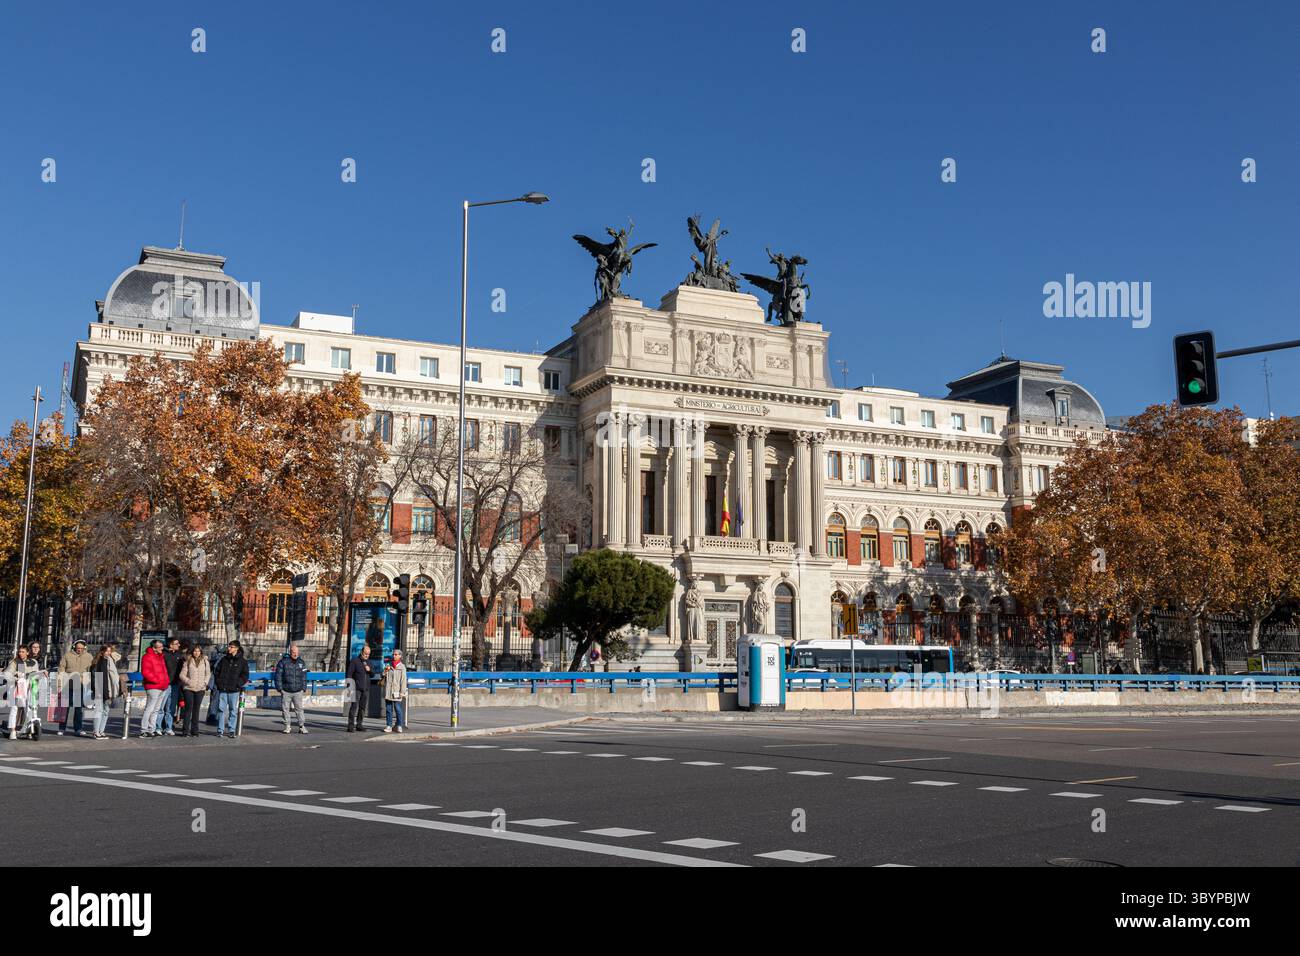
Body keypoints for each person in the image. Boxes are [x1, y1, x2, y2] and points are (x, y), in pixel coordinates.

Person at [212, 640, 249, 739]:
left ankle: (231, 730)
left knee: (233, 710)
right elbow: (217, 672)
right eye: (229, 646)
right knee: (221, 710)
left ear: (236, 648)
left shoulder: (242, 661)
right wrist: (219, 682)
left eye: (231, 647)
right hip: (223, 689)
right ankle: (220, 730)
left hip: (234, 690)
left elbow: (245, 675)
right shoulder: (224, 659)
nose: (229, 648)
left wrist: (238, 684)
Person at [57, 639, 93, 737]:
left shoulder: (89, 657)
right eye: (78, 648)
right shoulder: (67, 655)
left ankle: (78, 728)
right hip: (67, 684)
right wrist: (59, 684)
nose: (79, 650)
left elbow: (91, 670)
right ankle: (62, 728)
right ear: (74, 647)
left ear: (84, 648)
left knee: (78, 708)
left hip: (81, 685)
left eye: (81, 648)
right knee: (65, 708)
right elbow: (61, 669)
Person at [4, 645, 40, 740]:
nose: (21, 653)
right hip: (16, 688)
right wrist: (15, 677)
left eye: (23, 652)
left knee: (28, 710)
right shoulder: (14, 662)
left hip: (29, 688)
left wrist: (41, 675)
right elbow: (7, 674)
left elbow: (36, 674)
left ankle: (28, 730)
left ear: (27, 653)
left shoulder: (33, 662)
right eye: (19, 651)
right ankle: (12, 731)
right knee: (14, 709)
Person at [272, 643, 309, 734]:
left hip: (298, 690)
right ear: (290, 652)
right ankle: (287, 726)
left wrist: (303, 688)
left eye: (296, 652)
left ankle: (301, 726)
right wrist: (280, 689)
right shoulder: (283, 662)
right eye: (293, 652)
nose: (295, 654)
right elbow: (278, 676)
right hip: (286, 690)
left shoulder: (301, 662)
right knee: (285, 709)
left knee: (299, 709)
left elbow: (304, 676)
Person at [88, 642, 121, 739]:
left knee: (106, 711)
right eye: (106, 651)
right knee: (98, 711)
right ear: (102, 651)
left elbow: (118, 656)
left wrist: (112, 651)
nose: (108, 653)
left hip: (109, 689)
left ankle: (101, 731)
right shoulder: (98, 662)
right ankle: (96, 731)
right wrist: (98, 690)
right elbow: (95, 678)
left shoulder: (110, 660)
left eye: (110, 651)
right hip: (100, 690)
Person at [179, 643, 211, 738]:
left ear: (201, 652)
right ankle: (185, 731)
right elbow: (181, 675)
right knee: (188, 709)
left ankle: (195, 731)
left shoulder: (205, 662)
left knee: (196, 710)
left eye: (198, 651)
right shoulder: (188, 661)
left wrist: (205, 682)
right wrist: (188, 681)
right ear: (192, 652)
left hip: (200, 689)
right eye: (194, 651)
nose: (196, 653)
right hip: (189, 688)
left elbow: (208, 674)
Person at [138, 639, 169, 738]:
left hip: (162, 686)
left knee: (156, 709)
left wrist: (166, 681)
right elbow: (146, 672)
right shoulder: (147, 657)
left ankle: (152, 729)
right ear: (154, 648)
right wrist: (157, 681)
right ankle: (144, 730)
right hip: (153, 686)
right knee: (149, 708)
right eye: (160, 647)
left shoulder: (161, 657)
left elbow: (164, 671)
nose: (162, 648)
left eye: (162, 646)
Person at [345, 644, 373, 732]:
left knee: (362, 707)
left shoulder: (369, 662)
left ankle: (359, 724)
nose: (367, 656)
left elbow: (372, 674)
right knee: (354, 706)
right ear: (361, 652)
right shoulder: (354, 661)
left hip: (366, 688)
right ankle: (350, 725)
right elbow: (349, 674)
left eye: (368, 654)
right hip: (356, 688)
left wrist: (370, 670)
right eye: (365, 654)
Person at [160, 637, 184, 736]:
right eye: (176, 643)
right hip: (165, 684)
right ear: (171, 645)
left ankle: (168, 727)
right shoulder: (163, 654)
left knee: (171, 707)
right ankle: (158, 727)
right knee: (161, 707)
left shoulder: (179, 655)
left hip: (175, 684)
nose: (179, 645)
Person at [382, 649, 408, 734]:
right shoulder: (389, 665)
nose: (394, 656)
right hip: (388, 691)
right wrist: (385, 671)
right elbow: (382, 675)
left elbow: (403, 680)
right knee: (389, 709)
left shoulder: (402, 667)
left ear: (400, 656)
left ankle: (399, 725)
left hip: (397, 691)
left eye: (396, 654)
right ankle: (389, 725)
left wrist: (402, 691)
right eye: (393, 654)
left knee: (398, 709)